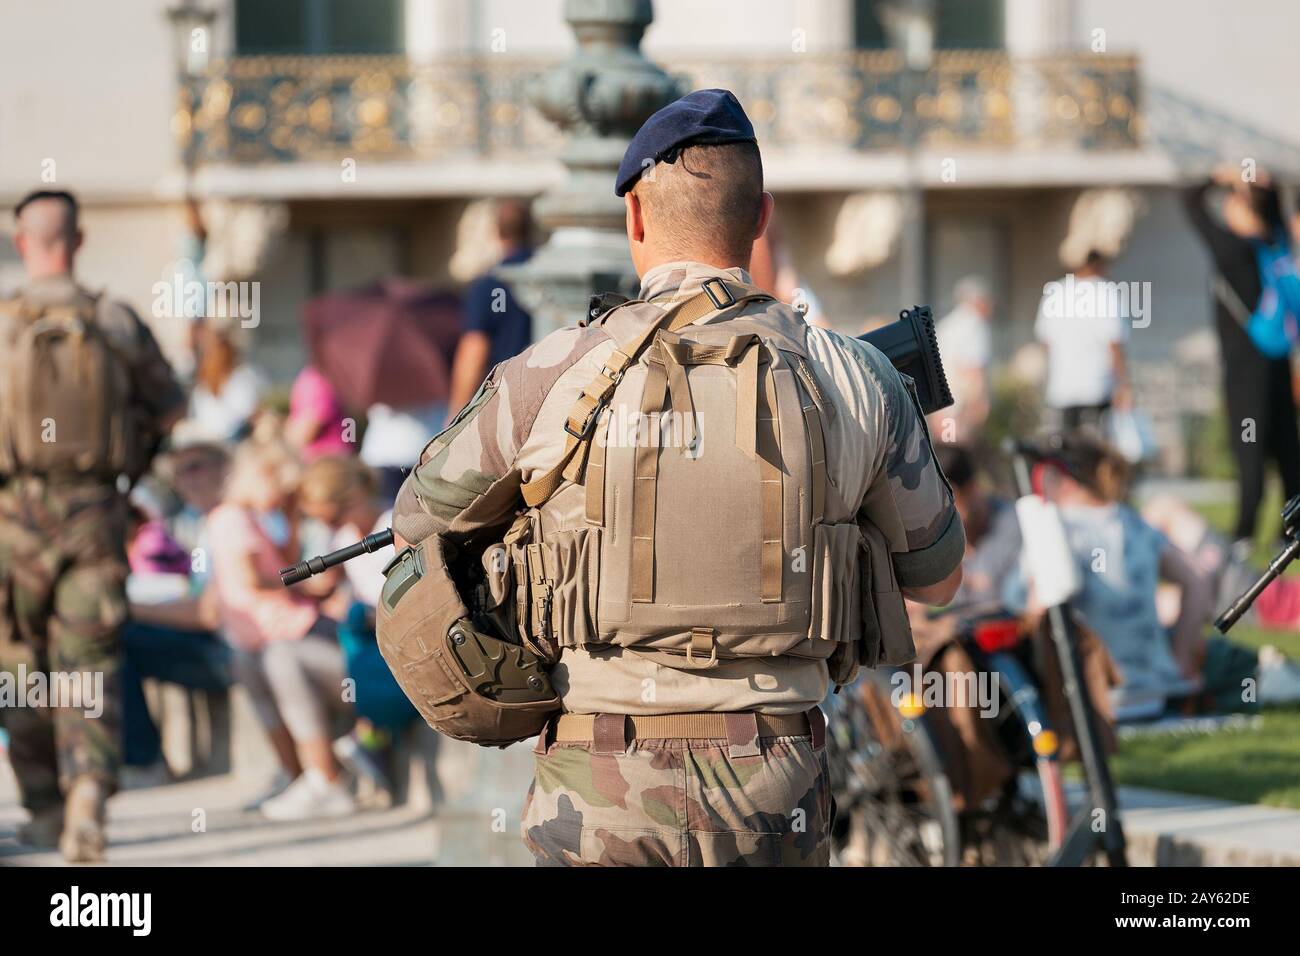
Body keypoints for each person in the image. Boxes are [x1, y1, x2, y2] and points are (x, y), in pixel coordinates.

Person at [389, 89, 964, 867]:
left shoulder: (547, 374)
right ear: (759, 218)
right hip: (776, 786)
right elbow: (937, 580)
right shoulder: (859, 379)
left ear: (633, 218)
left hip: (596, 790)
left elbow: (415, 522)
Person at [0, 188, 186, 861]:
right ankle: (88, 801)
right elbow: (168, 407)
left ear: (23, 242)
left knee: (18, 664)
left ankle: (45, 810)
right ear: (77, 242)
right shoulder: (115, 320)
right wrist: (130, 474)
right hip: (95, 514)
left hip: (10, 522)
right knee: (89, 662)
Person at [206, 438, 356, 820]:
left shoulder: (253, 518)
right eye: (282, 489)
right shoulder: (232, 518)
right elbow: (253, 577)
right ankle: (309, 777)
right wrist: (309, 585)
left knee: (271, 689)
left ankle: (308, 777)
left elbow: (283, 563)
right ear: (262, 476)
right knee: (269, 689)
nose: (284, 497)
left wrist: (288, 518)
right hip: (283, 628)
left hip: (282, 633)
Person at [1184, 165, 1300, 549]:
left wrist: (1219, 175)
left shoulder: (1233, 250)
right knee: (1287, 450)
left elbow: (1190, 201)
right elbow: (1279, 201)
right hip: (1280, 362)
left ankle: (1244, 533)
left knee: (1248, 447)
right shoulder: (1276, 244)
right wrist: (1259, 182)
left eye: (1232, 201)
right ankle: (1292, 531)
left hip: (1246, 370)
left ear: (1245, 209)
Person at [445, 199, 536, 420]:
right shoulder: (548, 276)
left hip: (502, 402)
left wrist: (455, 413)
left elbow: (474, 348)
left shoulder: (488, 284)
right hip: (546, 393)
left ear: (496, 231)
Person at [1034, 250, 1132, 430]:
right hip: (1097, 387)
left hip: (1062, 387)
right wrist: (1124, 384)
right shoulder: (1105, 291)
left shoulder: (1056, 291)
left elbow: (1045, 341)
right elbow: (1114, 342)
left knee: (1067, 446)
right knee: (1096, 448)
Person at [933, 277, 994, 442]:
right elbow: (973, 367)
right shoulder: (975, 324)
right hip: (962, 405)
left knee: (946, 450)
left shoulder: (946, 325)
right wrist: (980, 401)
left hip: (942, 405)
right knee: (959, 452)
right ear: (978, 301)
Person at [188, 321, 265, 442]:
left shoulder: (243, 377)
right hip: (226, 442)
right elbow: (251, 412)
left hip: (220, 441)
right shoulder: (242, 377)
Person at [285, 365, 352, 463]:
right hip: (322, 460)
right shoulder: (313, 375)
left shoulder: (319, 378)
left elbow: (307, 430)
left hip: (329, 461)